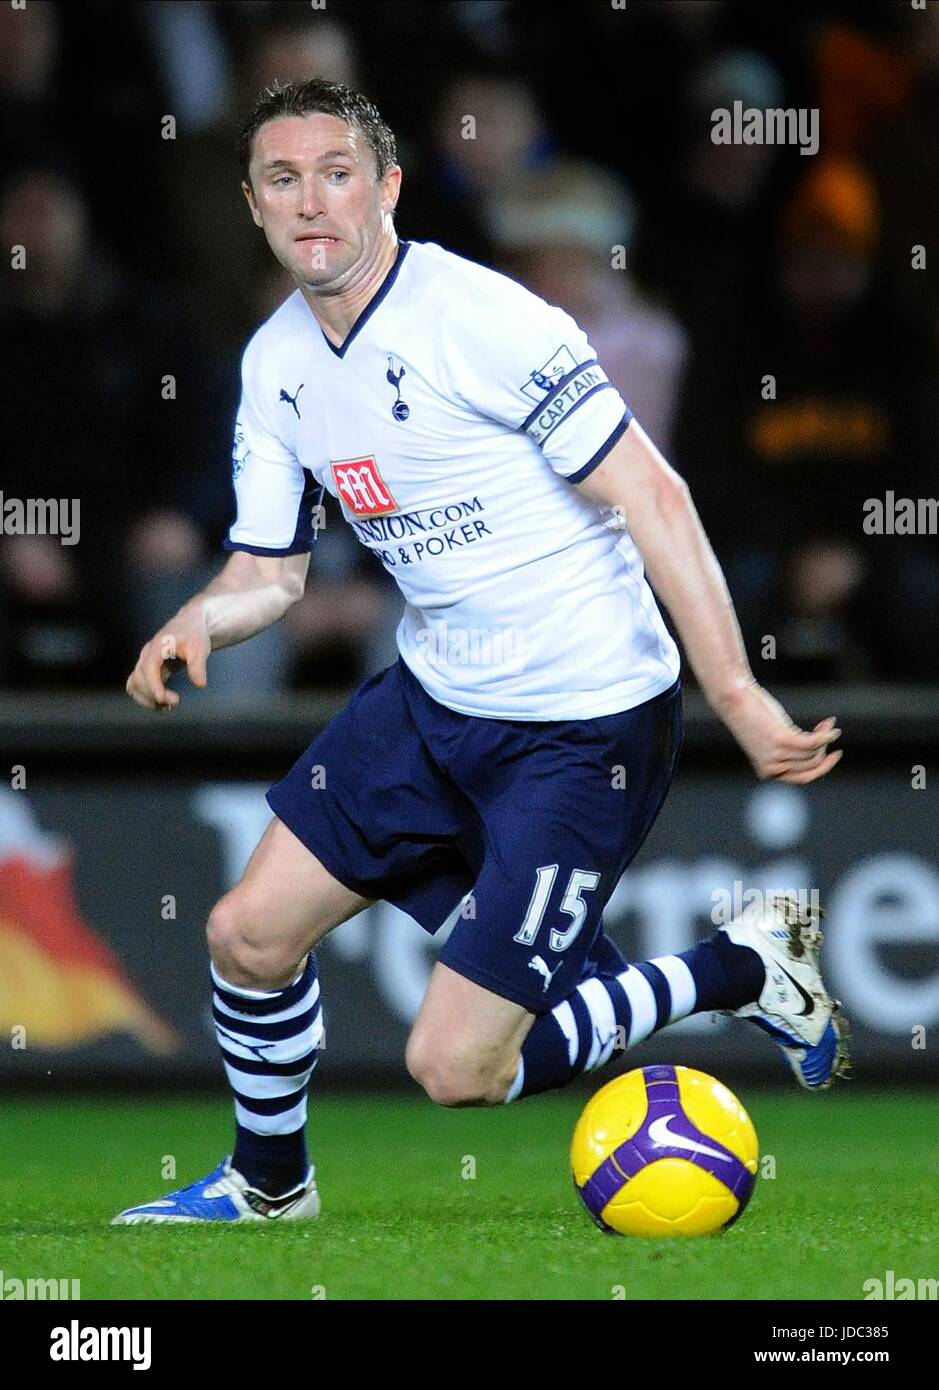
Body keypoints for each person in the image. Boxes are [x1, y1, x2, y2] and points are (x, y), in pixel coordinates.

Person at [114, 80, 845, 1226]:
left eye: (337, 173)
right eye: (282, 179)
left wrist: (740, 692)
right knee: (245, 934)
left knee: (456, 1070)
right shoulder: (276, 366)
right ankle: (269, 1187)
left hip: (583, 720)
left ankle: (744, 965)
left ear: (389, 189)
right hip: (433, 697)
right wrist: (198, 619)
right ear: (253, 205)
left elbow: (653, 493)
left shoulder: (485, 321)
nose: (312, 202)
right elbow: (271, 573)